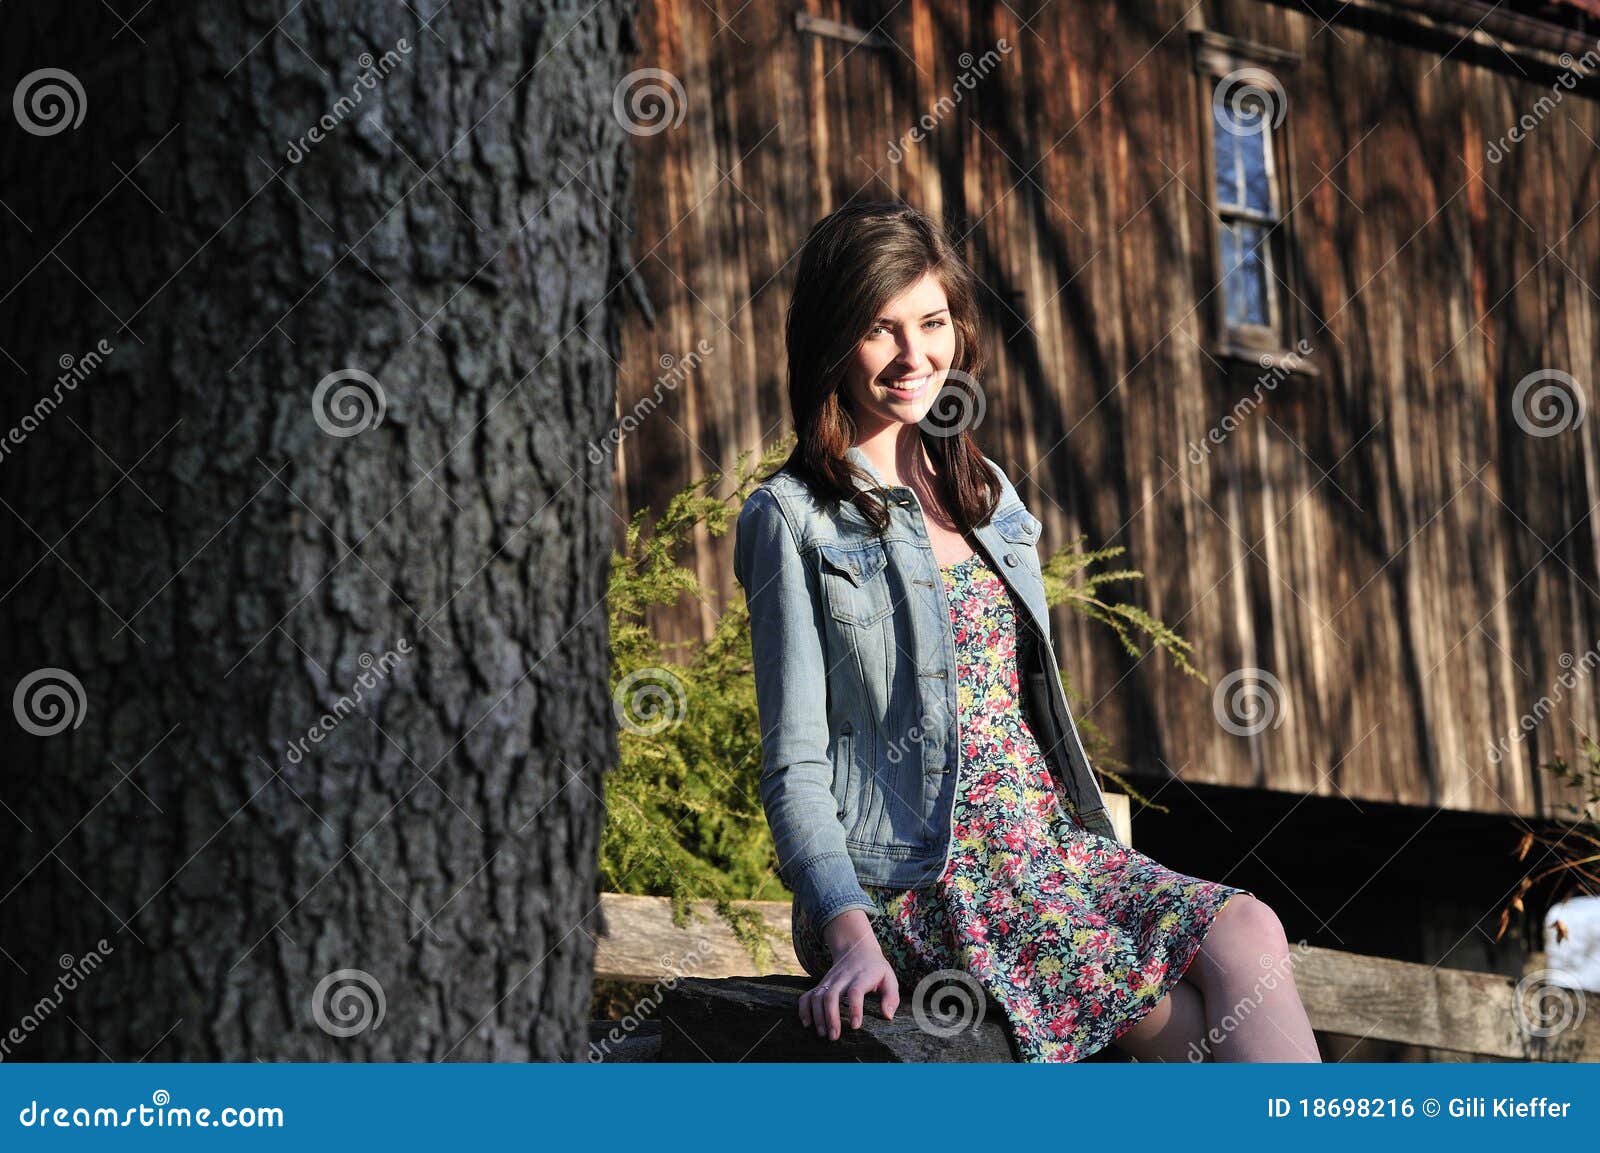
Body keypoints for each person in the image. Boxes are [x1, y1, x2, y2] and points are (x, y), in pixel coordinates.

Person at [731, 201, 1320, 1062]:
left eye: (931, 323)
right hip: (922, 882)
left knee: (1250, 931)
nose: (914, 356)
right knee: (1196, 1038)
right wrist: (846, 932)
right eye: (879, 329)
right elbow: (795, 762)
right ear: (831, 339)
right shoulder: (791, 518)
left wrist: (1082, 844)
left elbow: (1024, 712)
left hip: (1051, 852)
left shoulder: (988, 496)